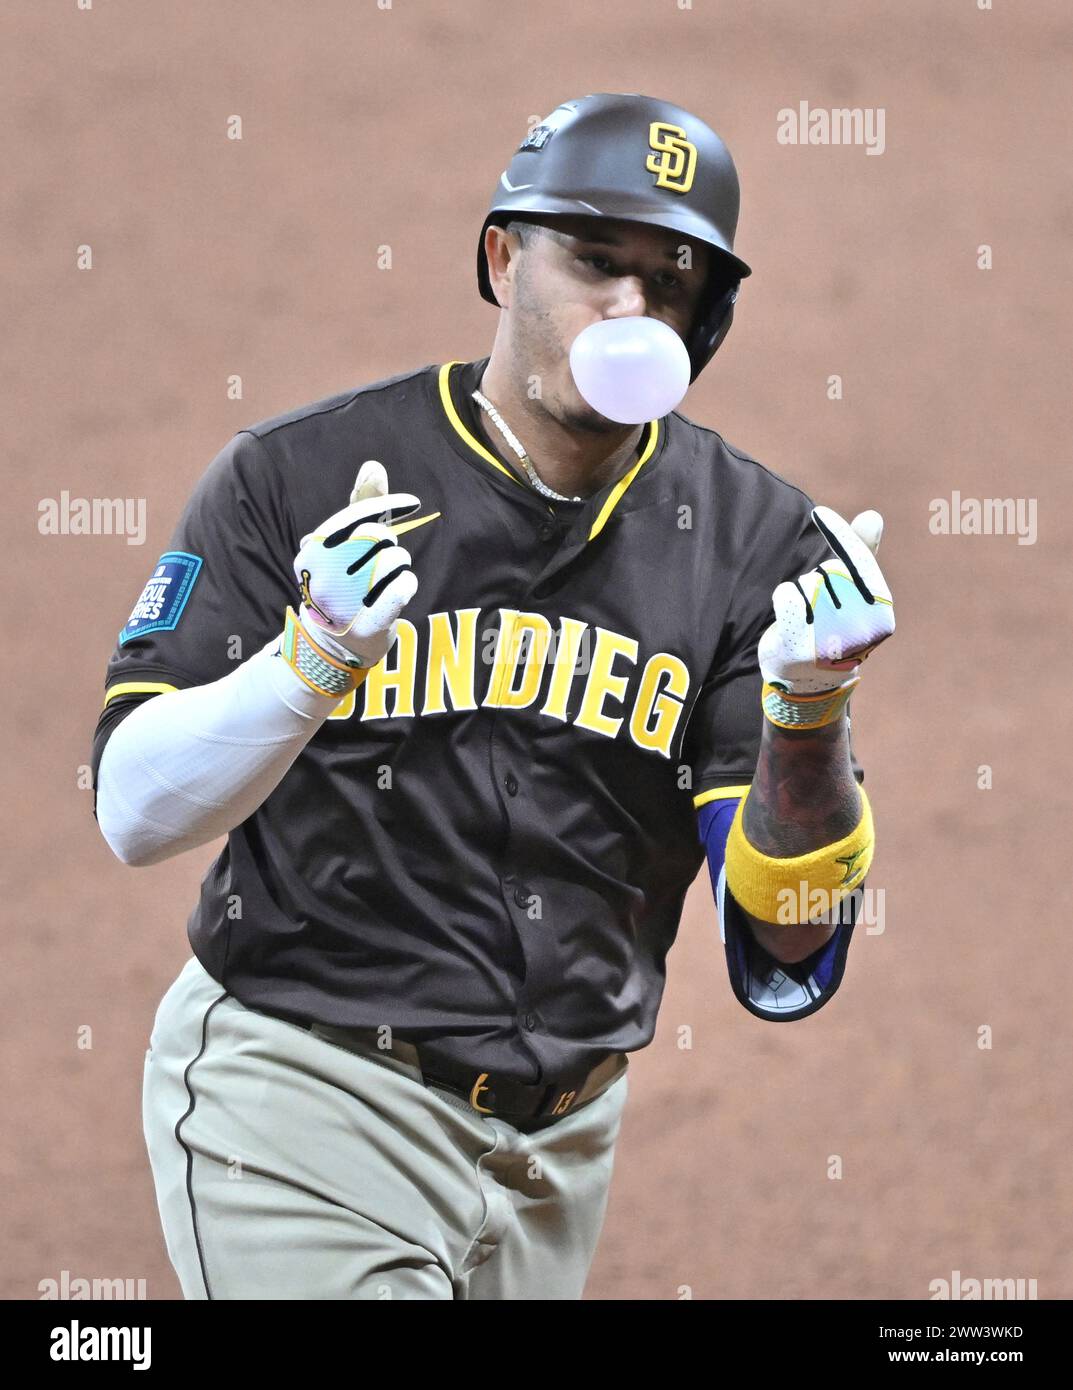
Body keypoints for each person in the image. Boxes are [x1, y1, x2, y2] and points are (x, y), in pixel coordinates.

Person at [90, 93, 895, 1301]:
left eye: (668, 282)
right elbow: (133, 812)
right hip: (300, 1101)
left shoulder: (751, 547)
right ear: (501, 256)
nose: (628, 309)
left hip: (555, 1157)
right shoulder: (293, 475)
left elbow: (786, 937)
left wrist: (807, 714)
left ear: (704, 319)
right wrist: (305, 660)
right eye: (594, 262)